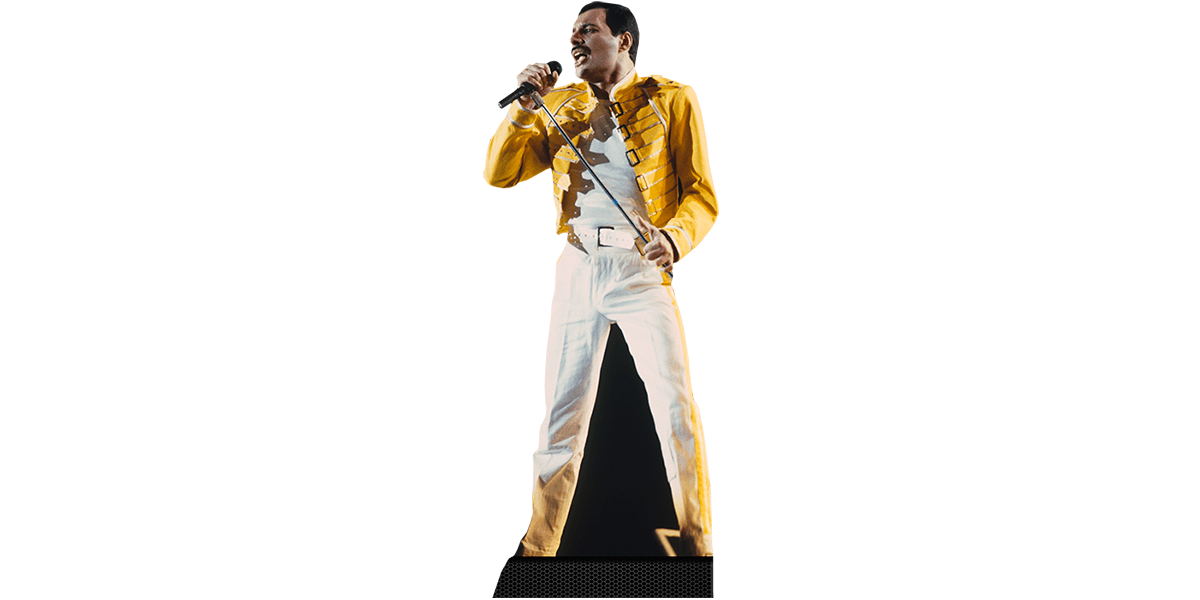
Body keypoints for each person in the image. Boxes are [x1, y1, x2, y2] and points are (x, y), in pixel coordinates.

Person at [483, 2, 717, 557]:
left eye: (588, 30)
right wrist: (523, 110)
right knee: (561, 415)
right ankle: (539, 550)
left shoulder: (672, 98)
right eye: (572, 33)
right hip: (578, 265)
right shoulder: (558, 104)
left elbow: (701, 195)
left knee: (675, 407)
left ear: (624, 40)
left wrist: (675, 238)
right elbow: (499, 174)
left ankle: (695, 546)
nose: (575, 41)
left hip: (640, 269)